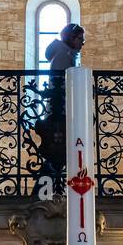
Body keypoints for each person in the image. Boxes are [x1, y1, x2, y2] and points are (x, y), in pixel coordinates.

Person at [39, 24, 86, 185]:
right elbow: (60, 86)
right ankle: (46, 190)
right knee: (56, 153)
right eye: (80, 38)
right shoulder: (63, 55)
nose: (82, 42)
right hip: (59, 111)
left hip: (61, 109)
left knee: (59, 154)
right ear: (70, 38)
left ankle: (50, 188)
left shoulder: (66, 54)